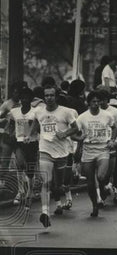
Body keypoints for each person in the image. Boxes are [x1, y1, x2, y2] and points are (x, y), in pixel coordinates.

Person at [30, 86, 79, 228]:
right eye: (46, 95)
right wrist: (29, 136)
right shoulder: (39, 112)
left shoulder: (66, 112)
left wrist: (64, 134)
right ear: (44, 97)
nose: (49, 98)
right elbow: (34, 125)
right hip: (45, 149)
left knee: (58, 185)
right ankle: (45, 212)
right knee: (46, 181)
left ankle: (58, 198)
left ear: (56, 96)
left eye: (51, 95)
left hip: (62, 152)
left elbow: (75, 128)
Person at [74, 90, 117, 217]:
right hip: (88, 149)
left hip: (102, 148)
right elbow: (74, 132)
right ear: (88, 103)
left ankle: (104, 188)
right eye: (93, 101)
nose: (96, 104)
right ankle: (94, 205)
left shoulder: (107, 115)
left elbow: (114, 127)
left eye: (98, 101)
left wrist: (112, 140)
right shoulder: (82, 117)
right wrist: (79, 139)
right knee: (90, 183)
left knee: (101, 176)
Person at [7, 88, 38, 209]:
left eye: (27, 98)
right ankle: (20, 192)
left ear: (31, 99)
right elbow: (10, 125)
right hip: (19, 142)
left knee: (30, 172)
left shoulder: (36, 112)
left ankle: (29, 193)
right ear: (20, 99)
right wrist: (11, 134)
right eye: (22, 97)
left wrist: (31, 134)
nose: (24, 100)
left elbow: (38, 125)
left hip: (32, 143)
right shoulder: (14, 112)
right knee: (19, 164)